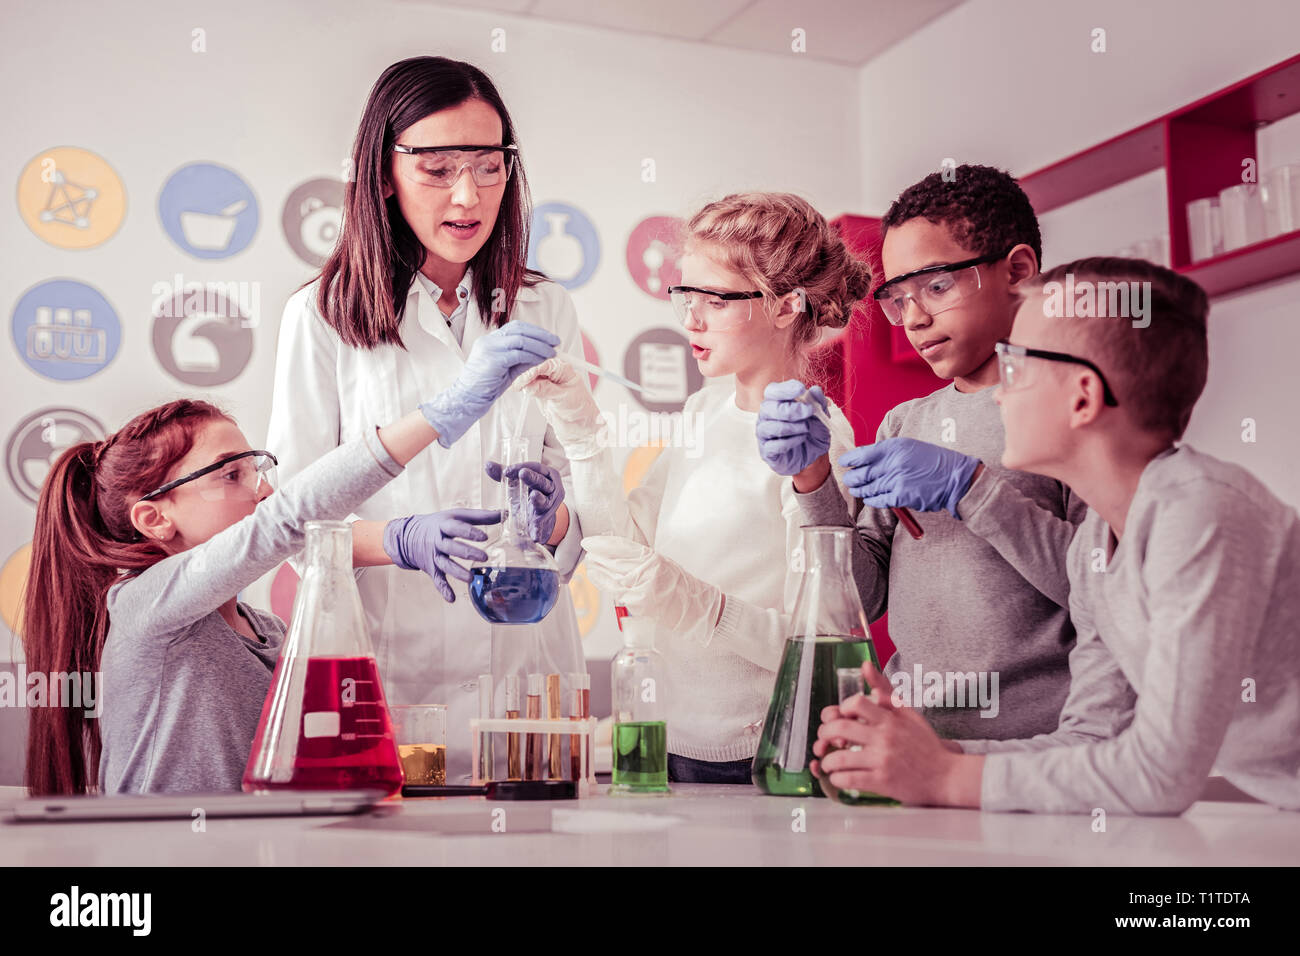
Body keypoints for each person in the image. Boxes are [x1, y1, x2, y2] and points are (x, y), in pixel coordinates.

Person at [814, 258, 1300, 814]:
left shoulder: (1201, 514)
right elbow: (1093, 739)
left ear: (1083, 397)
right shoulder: (1099, 542)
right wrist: (917, 755)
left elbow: (1159, 775)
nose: (997, 394)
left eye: (1015, 368)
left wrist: (944, 777)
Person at [21, 322, 558, 795]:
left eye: (256, 470)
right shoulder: (146, 606)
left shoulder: (270, 632)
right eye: (231, 475)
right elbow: (284, 521)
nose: (260, 490)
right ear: (155, 518)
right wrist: (442, 414)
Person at [266, 57, 587, 779]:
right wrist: (400, 540)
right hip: (391, 670)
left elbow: (579, 487)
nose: (468, 196)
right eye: (437, 169)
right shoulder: (321, 316)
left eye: (489, 166)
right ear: (383, 173)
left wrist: (557, 513)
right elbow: (292, 522)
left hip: (525, 664)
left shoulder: (545, 305)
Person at [516, 193, 870, 783]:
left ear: (787, 306)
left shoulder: (816, 441)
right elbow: (622, 546)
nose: (691, 319)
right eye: (686, 295)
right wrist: (581, 430)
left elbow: (817, 646)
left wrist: (699, 605)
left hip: (761, 759)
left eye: (716, 299)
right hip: (670, 745)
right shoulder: (705, 409)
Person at [757, 165, 1086, 741]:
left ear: (1018, 272)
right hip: (913, 742)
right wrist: (813, 481)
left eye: (936, 286)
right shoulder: (905, 424)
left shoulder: (1077, 410)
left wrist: (972, 488)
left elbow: (1102, 589)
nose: (913, 319)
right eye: (897, 296)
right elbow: (859, 596)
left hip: (1038, 750)